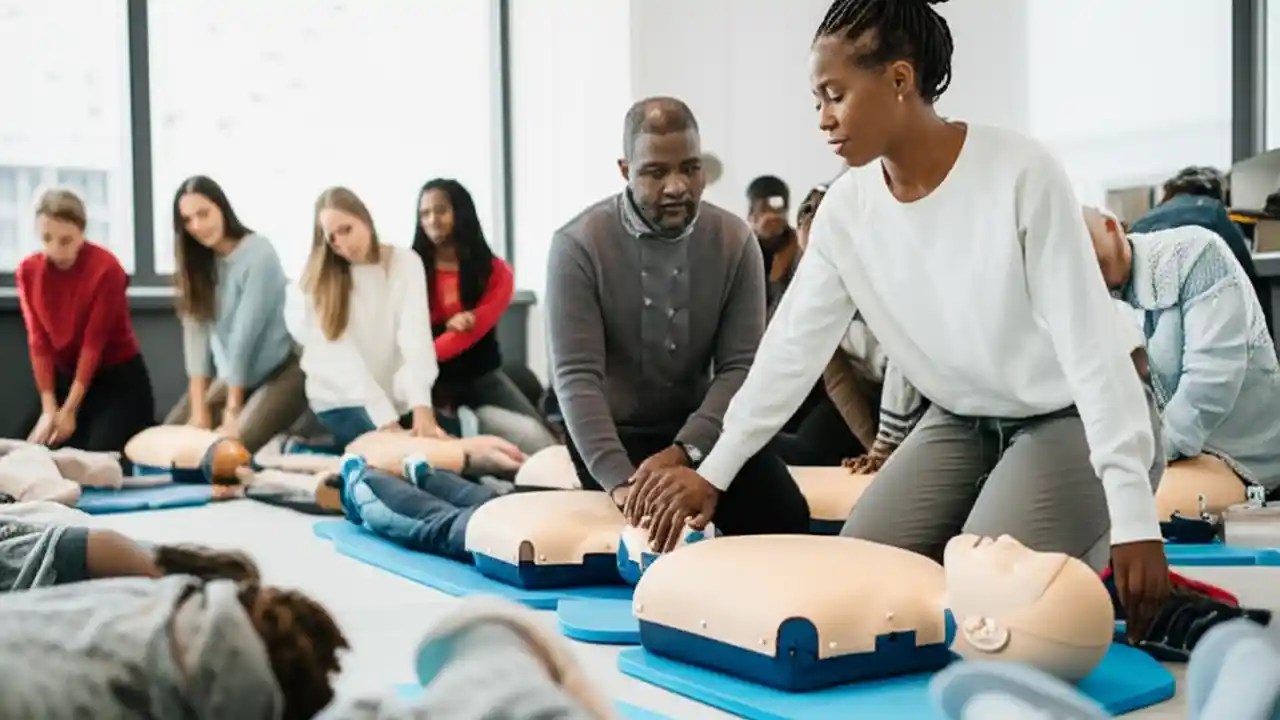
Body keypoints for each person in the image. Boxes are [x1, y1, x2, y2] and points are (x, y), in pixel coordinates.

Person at [622, 0, 1171, 641]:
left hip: (1070, 413)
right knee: (859, 582)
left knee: (979, 593)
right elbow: (790, 354)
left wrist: (1135, 517)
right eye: (816, 101)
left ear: (900, 80)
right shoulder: (846, 212)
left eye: (835, 95)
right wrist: (713, 473)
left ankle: (1128, 576)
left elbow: (1091, 351)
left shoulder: (1021, 173)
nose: (823, 119)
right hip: (962, 419)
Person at [546, 97, 809, 539]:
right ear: (624, 169)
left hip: (701, 428)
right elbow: (576, 377)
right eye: (655, 172)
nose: (677, 186)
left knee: (784, 517)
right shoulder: (577, 246)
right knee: (657, 540)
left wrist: (686, 450)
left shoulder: (734, 240)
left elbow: (740, 366)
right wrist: (620, 483)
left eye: (690, 168)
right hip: (614, 433)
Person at [1086, 207, 1280, 498]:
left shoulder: (1196, 255)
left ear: (1111, 226)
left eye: (1082, 243)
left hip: (1235, 452)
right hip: (1158, 453)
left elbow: (1209, 385)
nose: (1076, 259)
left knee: (1130, 509)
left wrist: (1144, 456)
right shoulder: (1086, 299)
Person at [286, 187, 444, 448]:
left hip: (394, 396)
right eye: (332, 238)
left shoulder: (406, 263)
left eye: (346, 230)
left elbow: (415, 338)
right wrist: (386, 422)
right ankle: (300, 450)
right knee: (397, 452)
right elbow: (344, 363)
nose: (342, 244)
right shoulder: (321, 283)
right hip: (343, 399)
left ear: (365, 219)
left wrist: (422, 407)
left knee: (436, 443)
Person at [163, 176, 307, 453]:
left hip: (282, 370)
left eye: (203, 214)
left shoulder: (259, 253)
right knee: (172, 439)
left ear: (222, 208)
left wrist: (232, 410)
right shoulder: (199, 264)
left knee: (228, 448)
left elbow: (245, 337)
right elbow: (196, 340)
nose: (197, 226)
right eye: (188, 220)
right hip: (234, 377)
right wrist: (199, 411)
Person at [412, 179, 555, 454]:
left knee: (543, 441)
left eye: (440, 211)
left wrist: (424, 353)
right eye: (424, 213)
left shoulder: (496, 271)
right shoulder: (410, 268)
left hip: (480, 375)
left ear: (460, 212)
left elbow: (471, 334)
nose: (432, 220)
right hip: (427, 384)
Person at [16, 188, 155, 455]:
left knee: (96, 459)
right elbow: (38, 342)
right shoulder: (28, 271)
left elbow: (94, 344)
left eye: (66, 240)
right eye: (47, 238)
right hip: (64, 380)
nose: (56, 249)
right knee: (26, 451)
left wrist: (69, 410)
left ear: (82, 232)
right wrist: (49, 409)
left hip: (116, 381)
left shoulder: (106, 268)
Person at [1130, 165, 1271, 334]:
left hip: (1150, 318)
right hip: (1205, 313)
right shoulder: (1213, 211)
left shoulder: (1143, 221)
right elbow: (1245, 273)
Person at [747, 175, 802, 320]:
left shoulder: (802, 251)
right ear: (751, 214)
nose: (771, 216)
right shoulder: (738, 254)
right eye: (763, 209)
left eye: (777, 209)